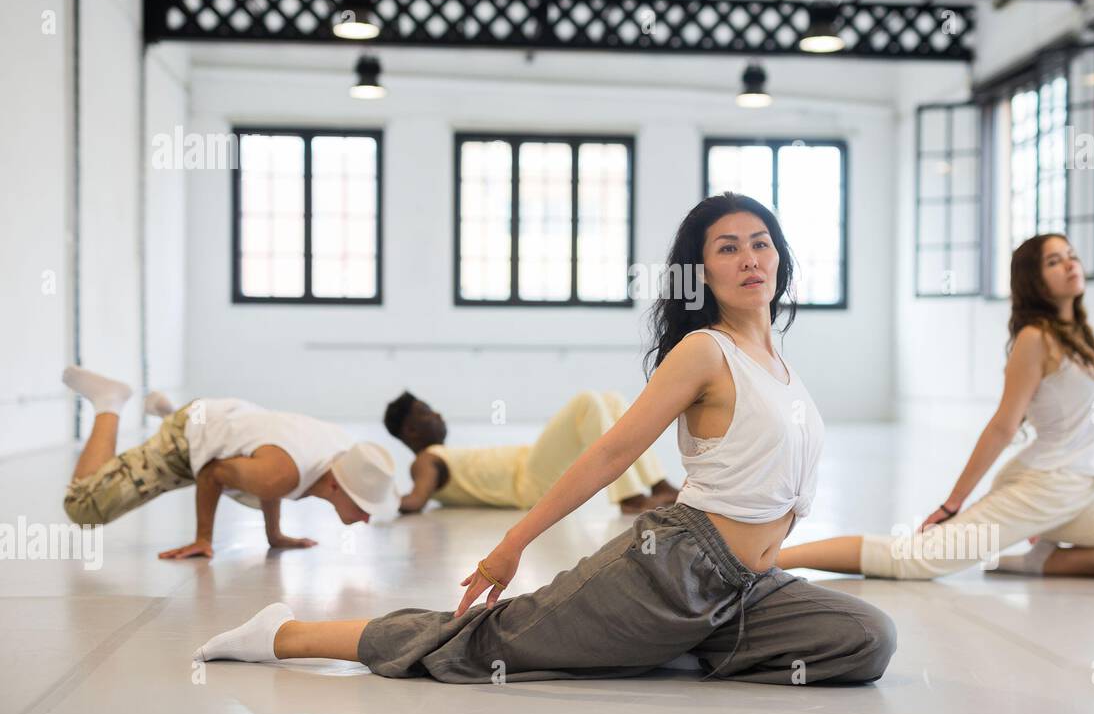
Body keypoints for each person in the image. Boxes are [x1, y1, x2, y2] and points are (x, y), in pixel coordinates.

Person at [194, 193, 896, 685]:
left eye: (761, 242)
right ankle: (282, 635)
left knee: (865, 639)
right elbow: (611, 453)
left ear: (781, 257)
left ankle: (652, 648)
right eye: (728, 247)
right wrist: (513, 542)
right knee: (487, 645)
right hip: (675, 568)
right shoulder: (705, 352)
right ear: (702, 271)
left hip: (749, 589)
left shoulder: (783, 364)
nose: (750, 257)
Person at [778, 233, 1094, 582]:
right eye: (1055, 261)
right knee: (913, 559)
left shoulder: (1080, 339)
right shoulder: (1036, 338)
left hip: (1085, 493)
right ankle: (772, 562)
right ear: (1034, 278)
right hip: (1045, 487)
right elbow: (1003, 426)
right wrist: (952, 504)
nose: (1071, 264)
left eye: (1071, 255)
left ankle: (1040, 562)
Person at [60, 370, 398, 559]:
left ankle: (171, 409)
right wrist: (203, 538)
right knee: (83, 508)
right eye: (363, 506)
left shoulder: (340, 453)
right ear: (337, 485)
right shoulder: (278, 474)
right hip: (187, 439)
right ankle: (110, 401)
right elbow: (213, 473)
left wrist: (274, 535)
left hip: (236, 420)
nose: (367, 518)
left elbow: (278, 474)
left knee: (250, 475)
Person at [384, 390, 678, 516]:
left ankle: (657, 483)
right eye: (426, 413)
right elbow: (416, 499)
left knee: (611, 400)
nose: (437, 414)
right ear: (410, 431)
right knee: (587, 403)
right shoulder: (425, 461)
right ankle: (629, 497)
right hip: (528, 483)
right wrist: (376, 497)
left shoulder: (437, 455)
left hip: (532, 468)